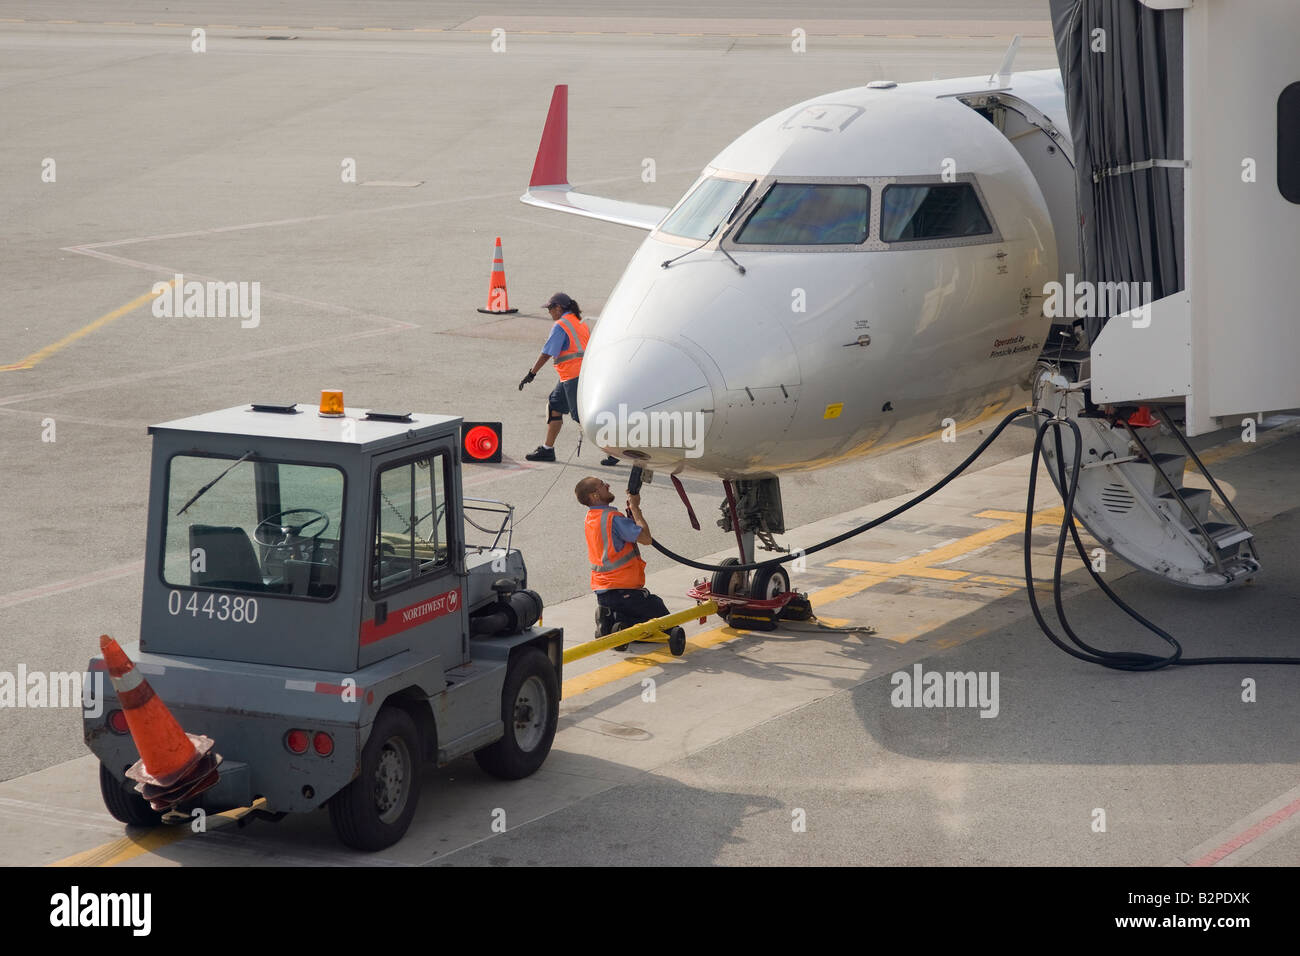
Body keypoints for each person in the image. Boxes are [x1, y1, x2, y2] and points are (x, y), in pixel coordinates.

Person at [575, 476, 683, 652]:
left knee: (629, 609)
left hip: (603, 591)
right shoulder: (613, 519)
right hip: (625, 589)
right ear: (595, 495)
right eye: (602, 485)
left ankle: (609, 619)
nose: (608, 485)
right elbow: (646, 539)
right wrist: (635, 507)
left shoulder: (592, 517)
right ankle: (621, 628)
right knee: (660, 614)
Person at [518, 292, 619, 466]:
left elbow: (547, 353)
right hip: (577, 374)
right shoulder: (578, 323)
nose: (549, 312)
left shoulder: (561, 325)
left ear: (559, 308)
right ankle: (547, 449)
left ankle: (615, 451)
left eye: (550, 308)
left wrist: (532, 373)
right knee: (555, 405)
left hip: (574, 376)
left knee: (582, 416)